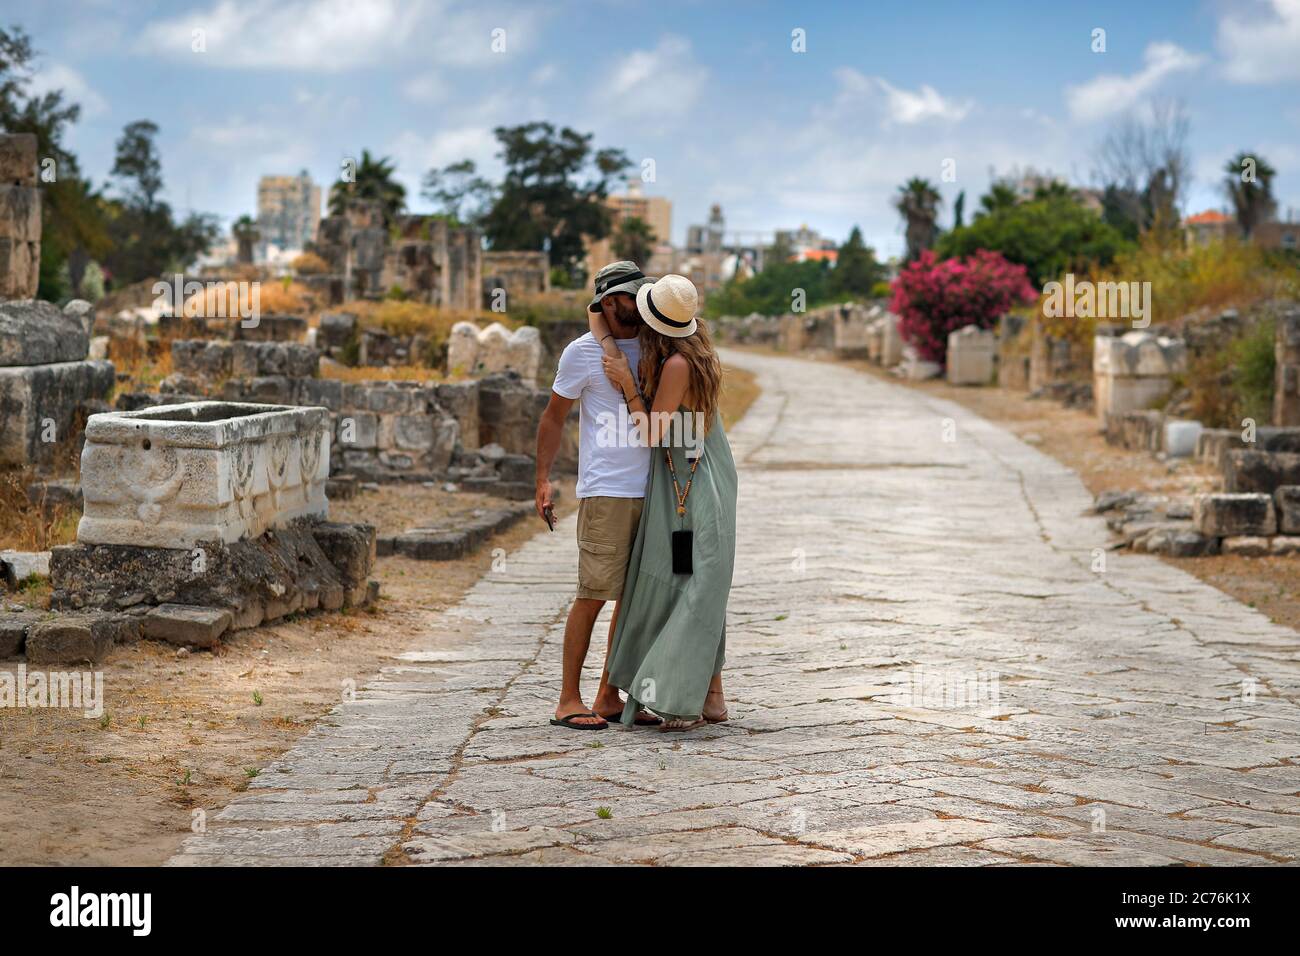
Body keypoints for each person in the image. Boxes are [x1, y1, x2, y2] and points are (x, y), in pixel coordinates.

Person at [588, 274, 738, 731]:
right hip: (698, 478)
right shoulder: (697, 351)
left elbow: (652, 433)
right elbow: (596, 318)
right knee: (693, 582)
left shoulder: (676, 366)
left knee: (688, 585)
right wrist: (603, 319)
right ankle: (713, 695)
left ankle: (682, 694)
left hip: (688, 489)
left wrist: (627, 385)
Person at [534, 260, 664, 729]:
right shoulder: (582, 352)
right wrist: (543, 478)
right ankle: (568, 699)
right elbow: (554, 416)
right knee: (592, 595)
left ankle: (609, 695)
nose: (640, 301)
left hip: (656, 490)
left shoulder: (658, 342)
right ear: (609, 303)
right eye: (631, 295)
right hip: (607, 490)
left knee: (632, 599)